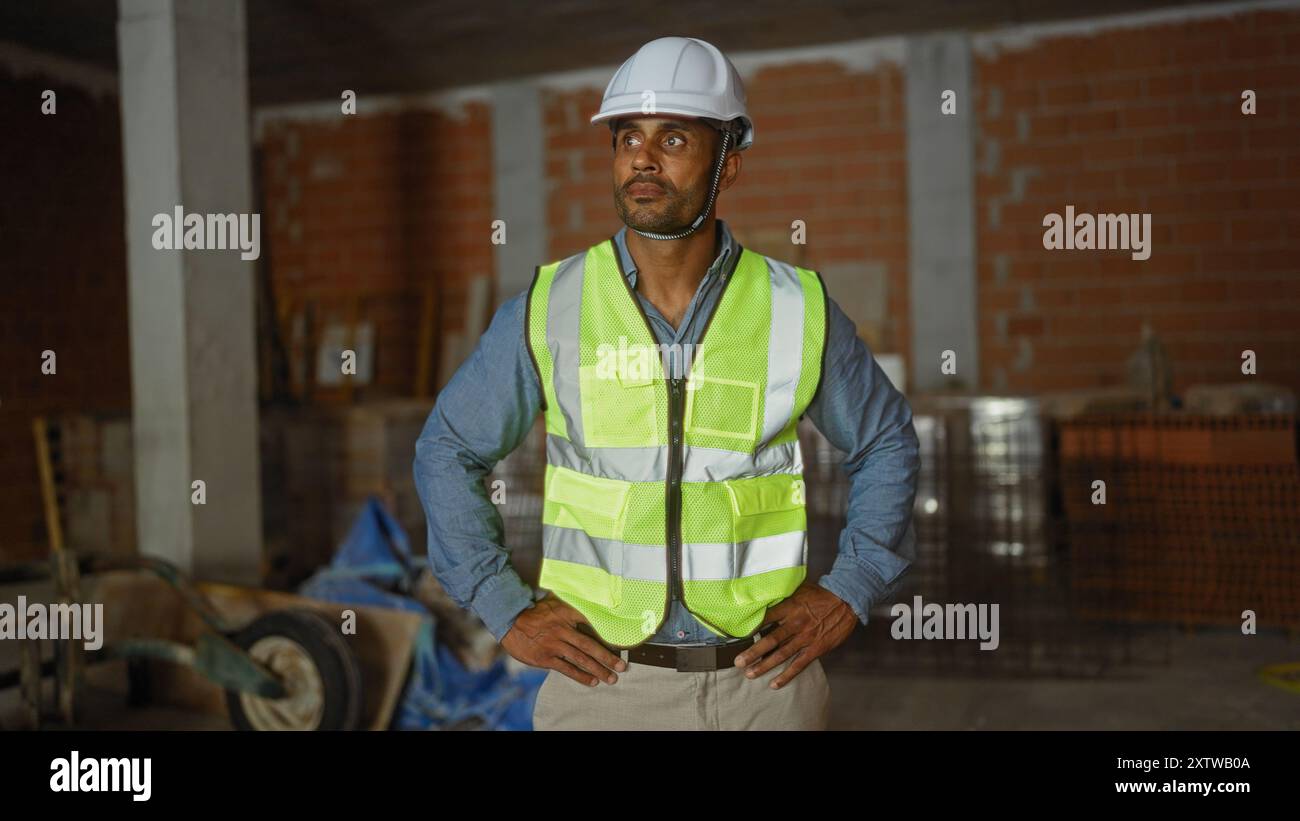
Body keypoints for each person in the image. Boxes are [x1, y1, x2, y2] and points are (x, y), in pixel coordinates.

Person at [414, 36, 919, 731]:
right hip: (604, 686)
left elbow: (887, 440)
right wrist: (504, 605)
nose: (642, 157)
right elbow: (447, 448)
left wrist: (849, 589)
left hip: (764, 685)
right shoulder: (551, 305)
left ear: (728, 165)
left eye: (673, 137)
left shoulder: (796, 308)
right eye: (628, 137)